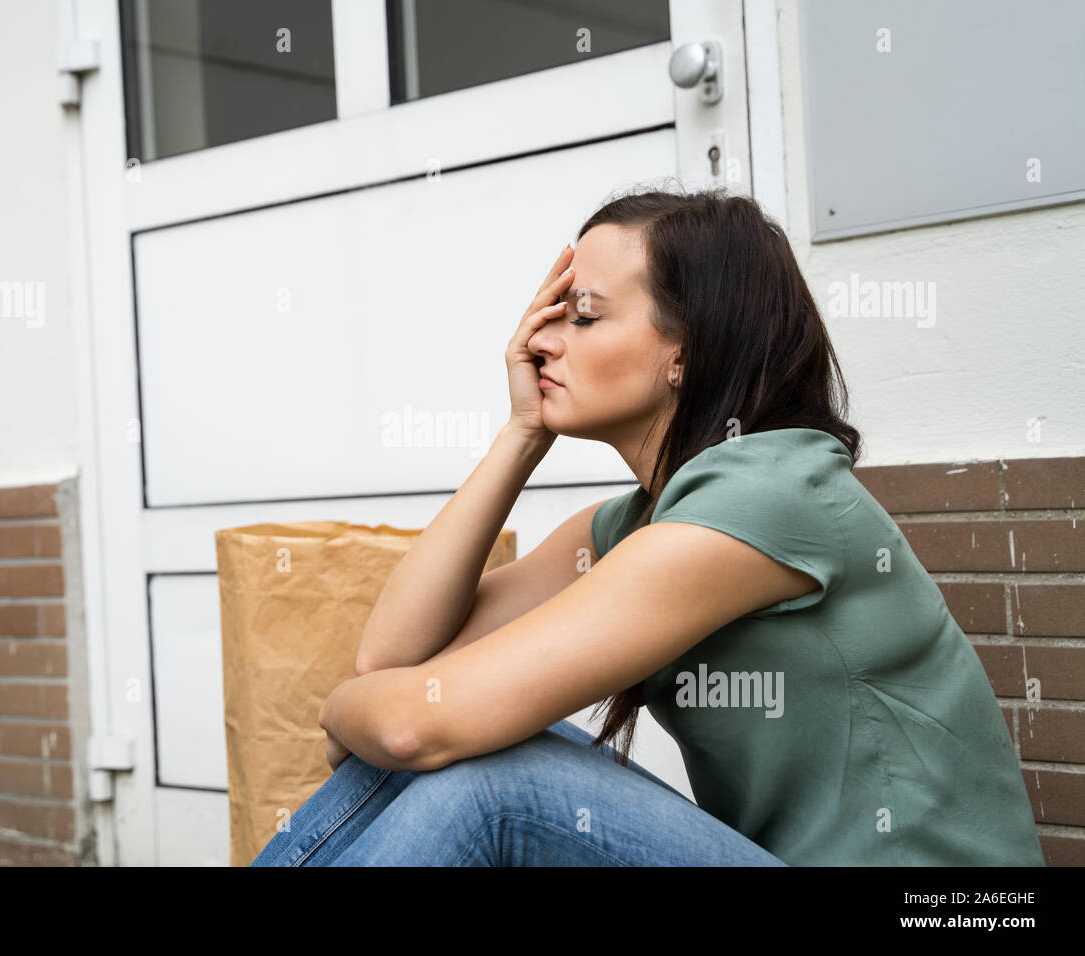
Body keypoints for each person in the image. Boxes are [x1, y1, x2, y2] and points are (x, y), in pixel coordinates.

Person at [251, 184, 1044, 867]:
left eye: (584, 315)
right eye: (551, 313)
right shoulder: (635, 524)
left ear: (685, 355)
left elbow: (411, 723)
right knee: (467, 742)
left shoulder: (769, 496)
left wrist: (339, 710)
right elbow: (395, 660)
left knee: (492, 777)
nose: (541, 341)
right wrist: (522, 434)